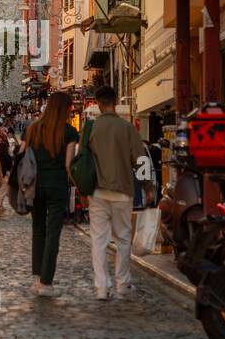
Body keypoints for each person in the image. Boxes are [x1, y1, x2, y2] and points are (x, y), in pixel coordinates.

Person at [87, 86, 149, 300]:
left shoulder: (91, 129)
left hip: (97, 191)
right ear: (115, 102)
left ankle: (101, 287)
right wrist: (148, 186)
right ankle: (123, 284)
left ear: (98, 103)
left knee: (98, 240)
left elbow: (83, 160)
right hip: (123, 190)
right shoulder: (127, 128)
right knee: (123, 238)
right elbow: (140, 160)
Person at [24, 91, 78, 297]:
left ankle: (37, 278)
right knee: (53, 233)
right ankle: (47, 282)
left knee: (38, 230)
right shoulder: (69, 132)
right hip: (57, 186)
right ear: (64, 109)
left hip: (35, 185)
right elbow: (68, 165)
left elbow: (24, 156)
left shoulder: (33, 129)